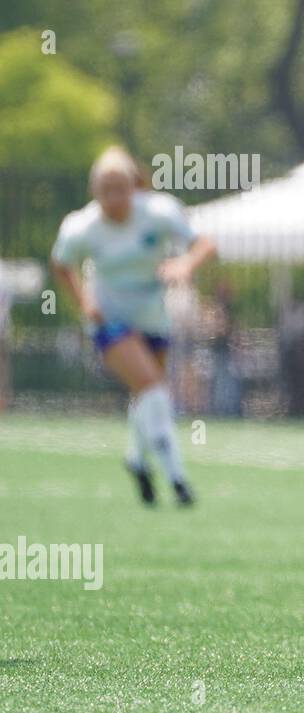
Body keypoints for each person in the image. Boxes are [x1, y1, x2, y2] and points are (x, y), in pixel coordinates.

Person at [50, 146, 217, 506]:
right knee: (152, 387)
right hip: (110, 319)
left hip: (153, 315)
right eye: (105, 190)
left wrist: (186, 264)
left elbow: (204, 244)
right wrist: (85, 301)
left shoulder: (159, 212)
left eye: (120, 188)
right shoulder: (81, 227)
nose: (114, 198)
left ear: (135, 185)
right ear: (95, 191)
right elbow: (61, 264)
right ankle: (177, 477)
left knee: (147, 395)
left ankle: (136, 459)